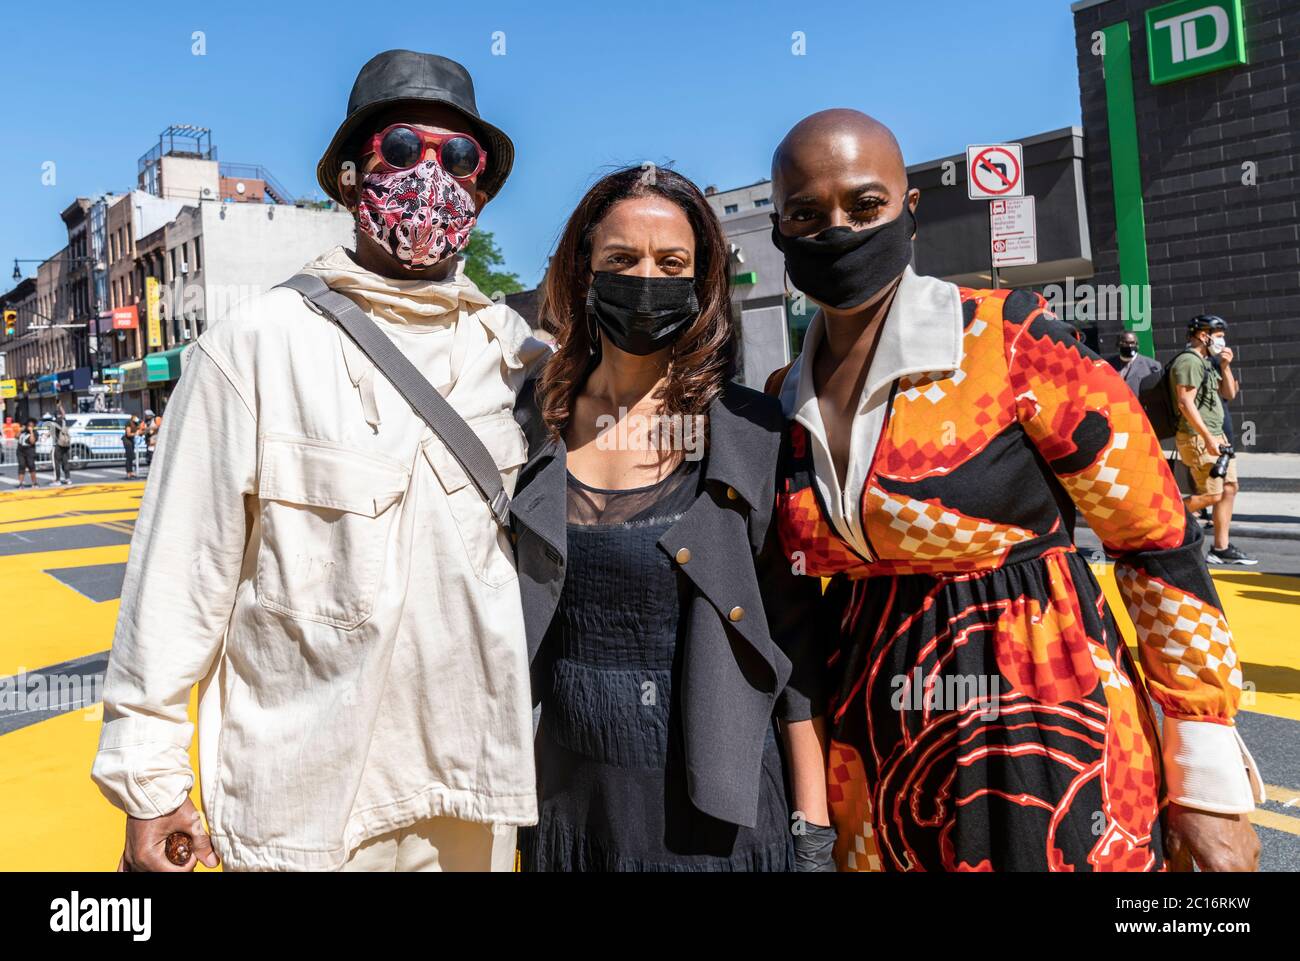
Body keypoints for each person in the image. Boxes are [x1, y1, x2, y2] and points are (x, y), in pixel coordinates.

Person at [764, 109, 1262, 872]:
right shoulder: (781, 391)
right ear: (778, 229)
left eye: (865, 206)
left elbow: (1154, 540)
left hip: (1049, 734)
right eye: (807, 213)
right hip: (874, 755)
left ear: (910, 211)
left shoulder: (1011, 339)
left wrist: (1204, 778)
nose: (838, 230)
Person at [91, 49, 546, 872]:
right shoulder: (252, 348)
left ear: (481, 187)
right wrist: (151, 782)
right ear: (350, 178)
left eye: (461, 158)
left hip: (468, 803)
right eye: (403, 150)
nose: (433, 176)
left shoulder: (512, 356)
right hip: (303, 811)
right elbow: (176, 580)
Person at [512, 167, 832, 872]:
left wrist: (814, 838)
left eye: (671, 263)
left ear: (702, 282)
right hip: (568, 817)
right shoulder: (530, 426)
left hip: (716, 831)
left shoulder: (748, 434)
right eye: (621, 260)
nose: (645, 278)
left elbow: (793, 647)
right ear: (584, 272)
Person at [1171, 315, 1255, 566]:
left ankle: (1220, 547)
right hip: (1199, 437)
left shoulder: (1208, 362)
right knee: (1210, 495)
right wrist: (1208, 438)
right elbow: (1185, 402)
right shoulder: (1189, 361)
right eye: (1216, 333)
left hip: (1218, 436)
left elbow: (1229, 393)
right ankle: (1154, 524)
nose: (1221, 339)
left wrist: (1226, 366)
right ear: (1201, 335)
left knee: (1229, 488)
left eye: (1221, 334)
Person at [1107, 330, 1160, 396]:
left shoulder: (1151, 366)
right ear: (1118, 345)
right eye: (1125, 343)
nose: (1129, 346)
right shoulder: (1108, 365)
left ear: (1137, 345)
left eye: (1132, 343)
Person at [52, 402, 72, 485]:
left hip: (59, 444)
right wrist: (60, 406)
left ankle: (58, 480)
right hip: (66, 444)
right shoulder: (64, 422)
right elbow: (64, 414)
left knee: (57, 462)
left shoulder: (56, 422)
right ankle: (68, 479)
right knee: (65, 461)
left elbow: (52, 434)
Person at [15, 418, 39, 488]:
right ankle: (20, 484)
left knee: (31, 466)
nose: (30, 427)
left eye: (32, 425)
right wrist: (20, 430)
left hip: (29, 450)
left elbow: (32, 442)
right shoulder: (23, 431)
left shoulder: (35, 433)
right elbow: (16, 437)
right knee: (21, 466)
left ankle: (34, 483)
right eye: (29, 425)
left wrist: (31, 432)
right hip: (20, 450)